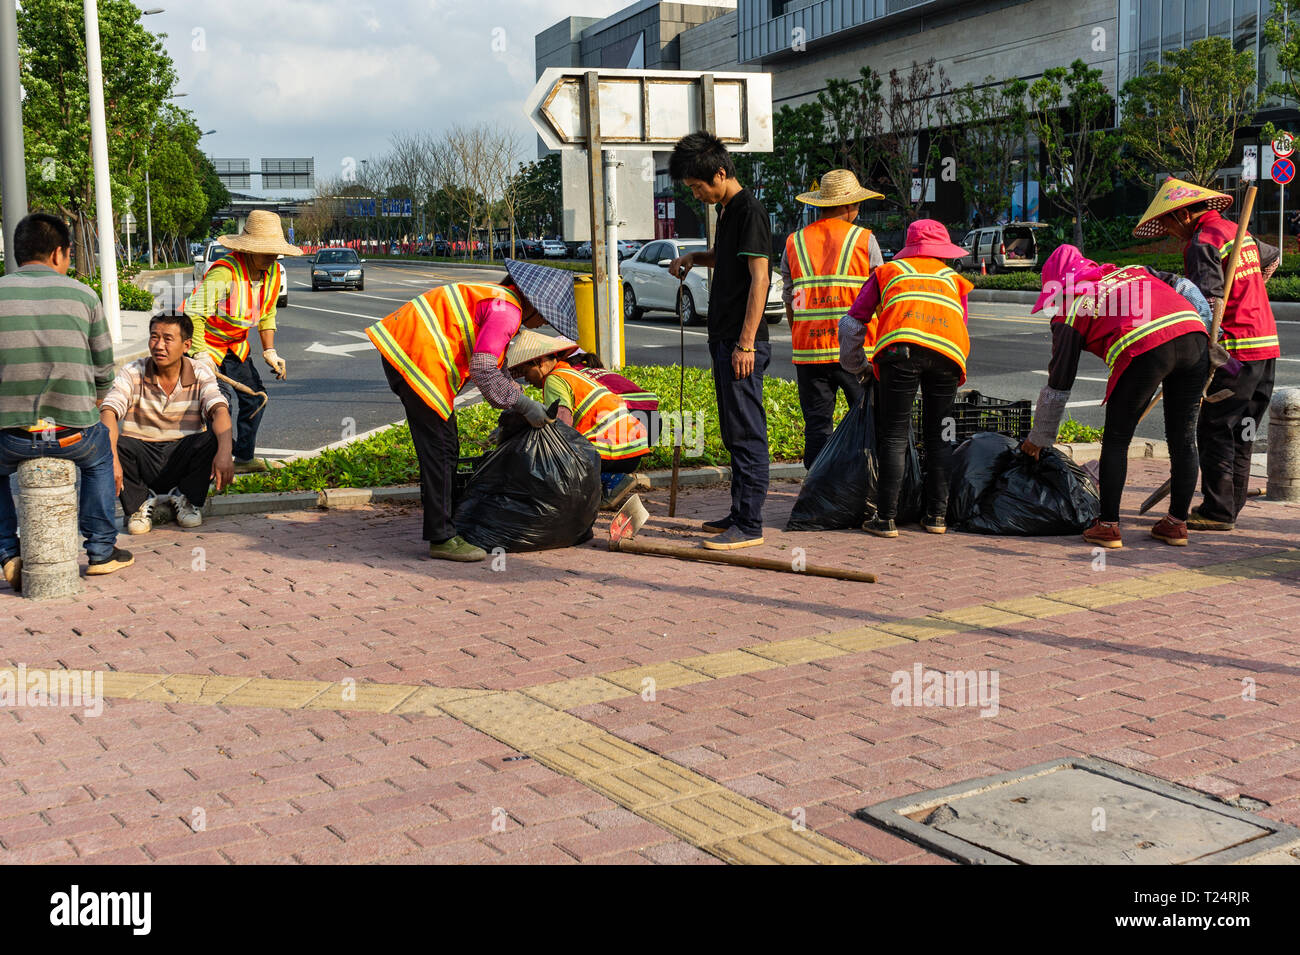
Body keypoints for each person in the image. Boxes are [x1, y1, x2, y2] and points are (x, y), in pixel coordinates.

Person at [366, 259, 577, 562]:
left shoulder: (497, 299)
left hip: (410, 350)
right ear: (532, 303)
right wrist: (524, 405)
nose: (541, 323)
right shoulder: (508, 311)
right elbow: (483, 368)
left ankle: (447, 525)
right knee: (439, 449)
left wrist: (518, 405)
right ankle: (441, 537)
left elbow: (497, 369)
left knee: (447, 445)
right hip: (418, 356)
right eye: (544, 316)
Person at [1021, 245, 1212, 548]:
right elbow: (1186, 287)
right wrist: (1207, 327)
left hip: (1146, 345)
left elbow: (1059, 384)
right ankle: (1176, 525)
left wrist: (1040, 438)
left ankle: (1108, 526)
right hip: (1195, 337)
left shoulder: (1072, 306)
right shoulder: (1130, 271)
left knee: (1117, 439)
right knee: (1183, 438)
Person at [1134, 178, 1281, 531]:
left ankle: (1217, 511)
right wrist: (1252, 288)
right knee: (1244, 428)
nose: (1170, 232)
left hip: (1236, 353)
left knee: (1215, 428)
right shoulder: (1235, 230)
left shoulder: (1202, 242)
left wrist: (1202, 345)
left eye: (1169, 224)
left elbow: (1209, 302)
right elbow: (1272, 258)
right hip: (1266, 346)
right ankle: (1232, 505)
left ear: (1184, 214)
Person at [0, 212, 133, 591]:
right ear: (59, 253)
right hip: (72, 434)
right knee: (100, 460)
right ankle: (101, 552)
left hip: (9, 437)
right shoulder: (83, 295)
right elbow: (104, 372)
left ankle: (8, 553)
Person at [668, 131, 772, 551]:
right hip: (724, 337)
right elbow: (729, 260)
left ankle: (750, 525)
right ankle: (738, 512)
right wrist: (695, 257)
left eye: (697, 187)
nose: (696, 195)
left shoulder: (750, 211)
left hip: (740, 342)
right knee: (733, 430)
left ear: (720, 173)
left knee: (747, 432)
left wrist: (746, 343)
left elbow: (760, 278)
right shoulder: (728, 211)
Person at [839, 219, 973, 538]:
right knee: (939, 434)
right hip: (948, 354)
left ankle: (885, 519)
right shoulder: (955, 280)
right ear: (943, 252)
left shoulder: (888, 272)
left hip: (900, 353)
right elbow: (960, 325)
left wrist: (858, 366)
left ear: (908, 248)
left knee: (895, 434)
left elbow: (851, 324)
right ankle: (937, 517)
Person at [780, 169, 884, 467]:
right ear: (847, 206)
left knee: (817, 429)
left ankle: (816, 493)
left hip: (809, 354)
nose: (859, 209)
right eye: (857, 203)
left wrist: (800, 333)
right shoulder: (865, 239)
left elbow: (791, 298)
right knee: (867, 424)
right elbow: (879, 297)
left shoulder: (794, 241)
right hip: (857, 353)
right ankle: (865, 491)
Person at [183, 210, 300, 472]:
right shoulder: (224, 273)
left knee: (256, 398)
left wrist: (270, 350)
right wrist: (200, 354)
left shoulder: (273, 274)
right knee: (218, 405)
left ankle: (244, 458)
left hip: (235, 347)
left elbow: (268, 312)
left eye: (275, 252)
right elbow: (193, 312)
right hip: (207, 346)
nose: (272, 257)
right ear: (248, 249)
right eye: (266, 251)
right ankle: (212, 464)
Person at [99, 310, 235, 535]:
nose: (159, 345)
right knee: (116, 442)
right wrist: (110, 457)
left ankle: (186, 498)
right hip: (143, 453)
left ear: (186, 344)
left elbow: (219, 409)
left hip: (182, 453)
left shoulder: (200, 372)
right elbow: (109, 411)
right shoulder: (133, 372)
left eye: (168, 339)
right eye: (154, 337)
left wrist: (225, 452)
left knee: (213, 439)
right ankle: (139, 504)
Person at [506, 329, 650, 511]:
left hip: (615, 452)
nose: (526, 378)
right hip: (631, 449)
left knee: (553, 454)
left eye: (526, 371)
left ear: (539, 362)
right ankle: (606, 483)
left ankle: (611, 480)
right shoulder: (569, 373)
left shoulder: (554, 380)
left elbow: (562, 423)